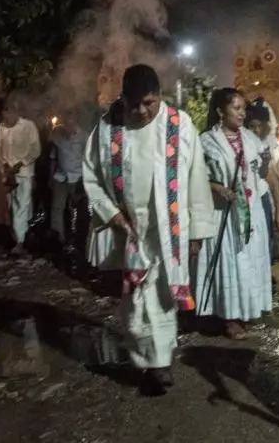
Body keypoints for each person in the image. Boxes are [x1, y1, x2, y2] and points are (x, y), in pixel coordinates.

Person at [82, 64, 216, 390]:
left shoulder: (179, 125)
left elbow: (196, 177)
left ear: (160, 96)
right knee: (134, 296)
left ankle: (159, 362)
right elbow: (92, 177)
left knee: (162, 293)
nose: (142, 112)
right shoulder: (108, 128)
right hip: (129, 228)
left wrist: (197, 231)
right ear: (123, 99)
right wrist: (111, 214)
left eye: (149, 103)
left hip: (168, 228)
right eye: (134, 105)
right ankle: (145, 357)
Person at [195, 88, 274, 339]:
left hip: (250, 210)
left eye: (243, 108)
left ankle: (244, 311)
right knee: (230, 262)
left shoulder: (251, 138)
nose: (242, 113)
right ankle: (228, 317)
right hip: (224, 215)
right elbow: (193, 180)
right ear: (220, 111)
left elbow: (258, 175)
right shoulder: (206, 141)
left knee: (248, 261)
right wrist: (217, 187)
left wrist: (267, 163)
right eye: (236, 108)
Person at [0, 99, 41, 256]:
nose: (8, 115)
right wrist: (3, 165)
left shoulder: (28, 126)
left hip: (24, 173)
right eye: (5, 111)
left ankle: (20, 242)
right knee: (12, 207)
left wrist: (20, 164)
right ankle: (21, 235)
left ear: (18, 112)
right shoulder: (0, 129)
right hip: (7, 175)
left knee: (21, 206)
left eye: (11, 111)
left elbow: (35, 150)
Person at [245, 101, 279, 259]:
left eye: (258, 126)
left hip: (261, 198)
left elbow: (272, 180)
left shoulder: (264, 148)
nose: (255, 130)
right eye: (251, 126)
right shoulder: (244, 146)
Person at [49, 114, 88, 254]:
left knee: (79, 210)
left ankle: (80, 240)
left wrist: (86, 179)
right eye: (66, 122)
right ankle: (58, 239)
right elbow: (53, 156)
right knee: (57, 208)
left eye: (71, 122)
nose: (68, 125)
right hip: (60, 177)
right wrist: (51, 176)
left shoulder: (83, 136)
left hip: (77, 177)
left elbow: (88, 158)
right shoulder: (57, 134)